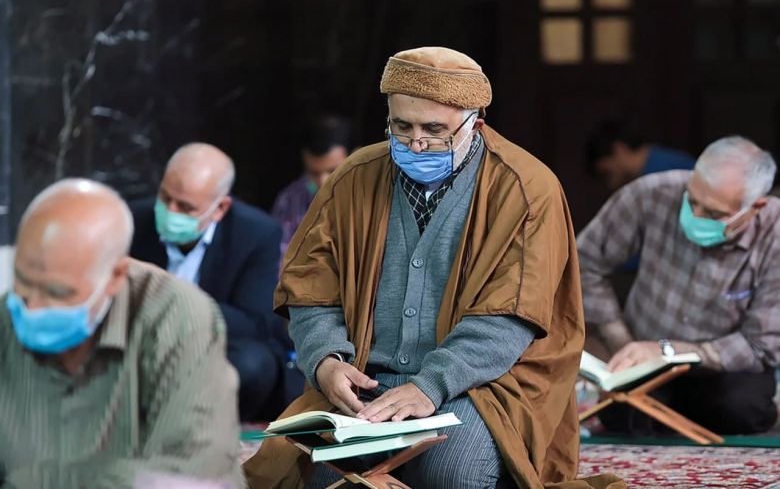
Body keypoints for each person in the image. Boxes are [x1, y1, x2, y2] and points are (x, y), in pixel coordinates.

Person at [244, 47, 622, 489]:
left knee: (451, 474)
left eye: (434, 129)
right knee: (321, 472)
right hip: (365, 376)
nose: (416, 143)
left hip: (479, 387)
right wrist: (326, 360)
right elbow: (312, 289)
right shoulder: (353, 177)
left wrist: (430, 386)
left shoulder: (526, 189)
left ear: (474, 124)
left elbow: (510, 317)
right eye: (401, 127)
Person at [0, 179, 243, 488]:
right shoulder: (7, 319)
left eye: (57, 293)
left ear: (115, 277)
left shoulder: (179, 319)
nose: (32, 308)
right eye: (22, 281)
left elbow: (188, 471)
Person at [578, 136, 780, 435]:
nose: (695, 218)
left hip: (721, 369)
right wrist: (619, 336)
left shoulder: (774, 233)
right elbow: (585, 260)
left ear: (755, 207)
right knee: (623, 415)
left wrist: (669, 351)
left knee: (744, 410)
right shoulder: (653, 192)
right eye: (692, 201)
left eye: (713, 214)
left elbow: (761, 344)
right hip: (642, 355)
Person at [129, 143, 301, 422]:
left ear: (219, 208)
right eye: (165, 197)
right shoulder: (135, 219)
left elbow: (254, 321)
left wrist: (176, 299)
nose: (170, 211)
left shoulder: (255, 233)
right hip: (145, 345)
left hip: (213, 348)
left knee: (253, 363)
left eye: (185, 207)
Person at [272, 115, 350, 260]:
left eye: (333, 171)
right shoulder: (290, 199)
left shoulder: (373, 196)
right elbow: (281, 259)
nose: (323, 182)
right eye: (314, 173)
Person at [585, 120, 695, 192]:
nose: (610, 185)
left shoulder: (659, 176)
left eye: (607, 174)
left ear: (619, 150)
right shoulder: (663, 162)